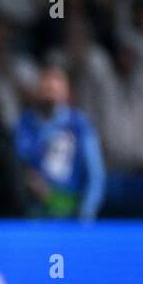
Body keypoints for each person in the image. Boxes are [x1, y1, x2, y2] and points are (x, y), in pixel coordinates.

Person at [13, 67, 106, 222]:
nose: (50, 93)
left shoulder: (79, 124)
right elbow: (21, 162)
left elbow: (96, 173)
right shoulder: (26, 123)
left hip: (70, 205)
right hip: (36, 208)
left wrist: (86, 213)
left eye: (55, 89)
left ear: (66, 92)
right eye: (46, 88)